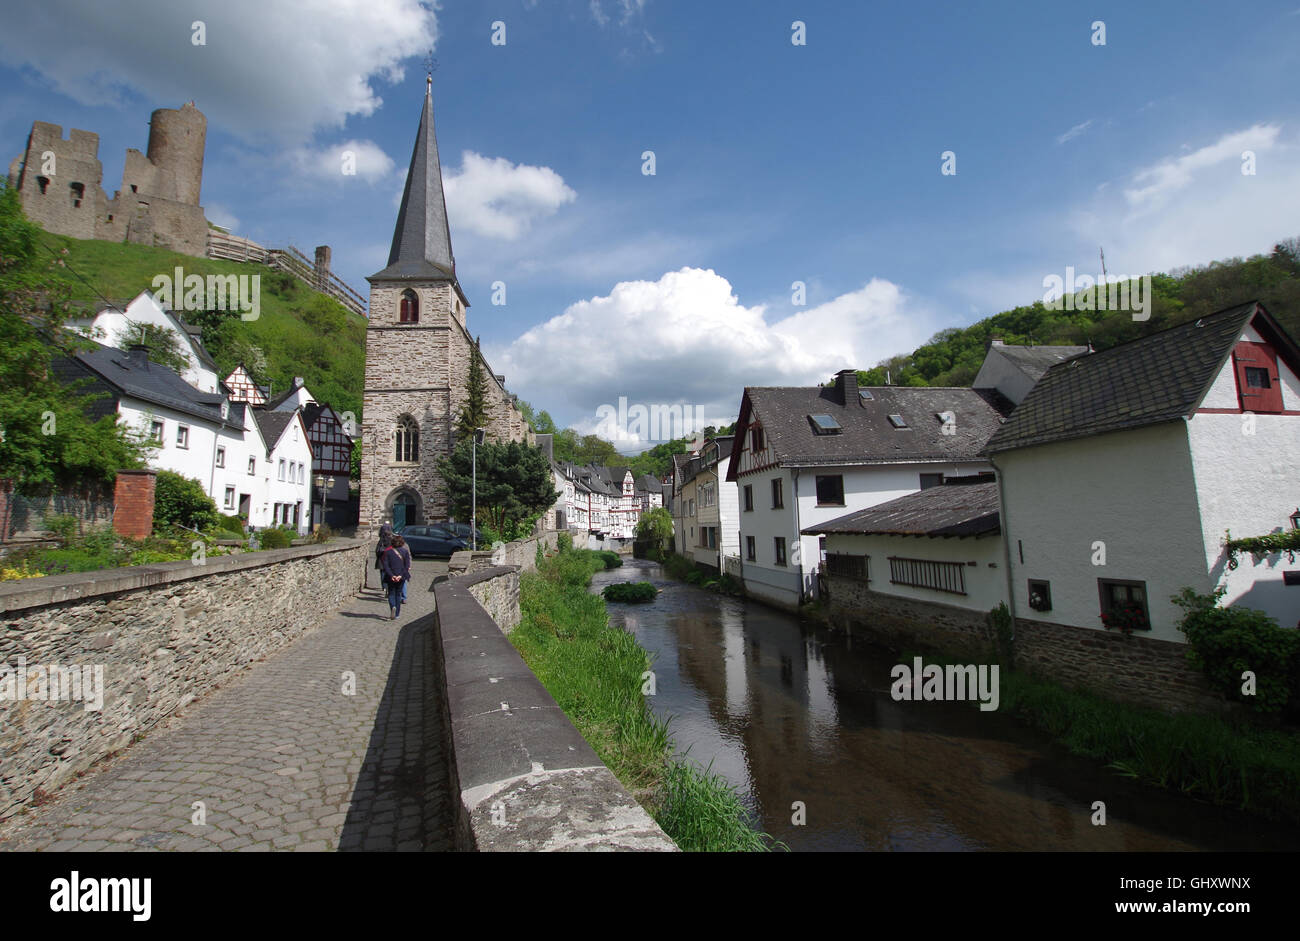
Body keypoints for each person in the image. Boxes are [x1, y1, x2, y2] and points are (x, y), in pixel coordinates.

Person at [380, 534, 410, 620]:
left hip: (391, 576)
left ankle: (392, 606)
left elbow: (385, 565)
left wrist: (392, 575)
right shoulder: (405, 552)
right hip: (401, 576)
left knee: (391, 593)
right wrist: (400, 575)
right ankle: (397, 614)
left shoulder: (387, 552)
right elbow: (407, 566)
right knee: (398, 593)